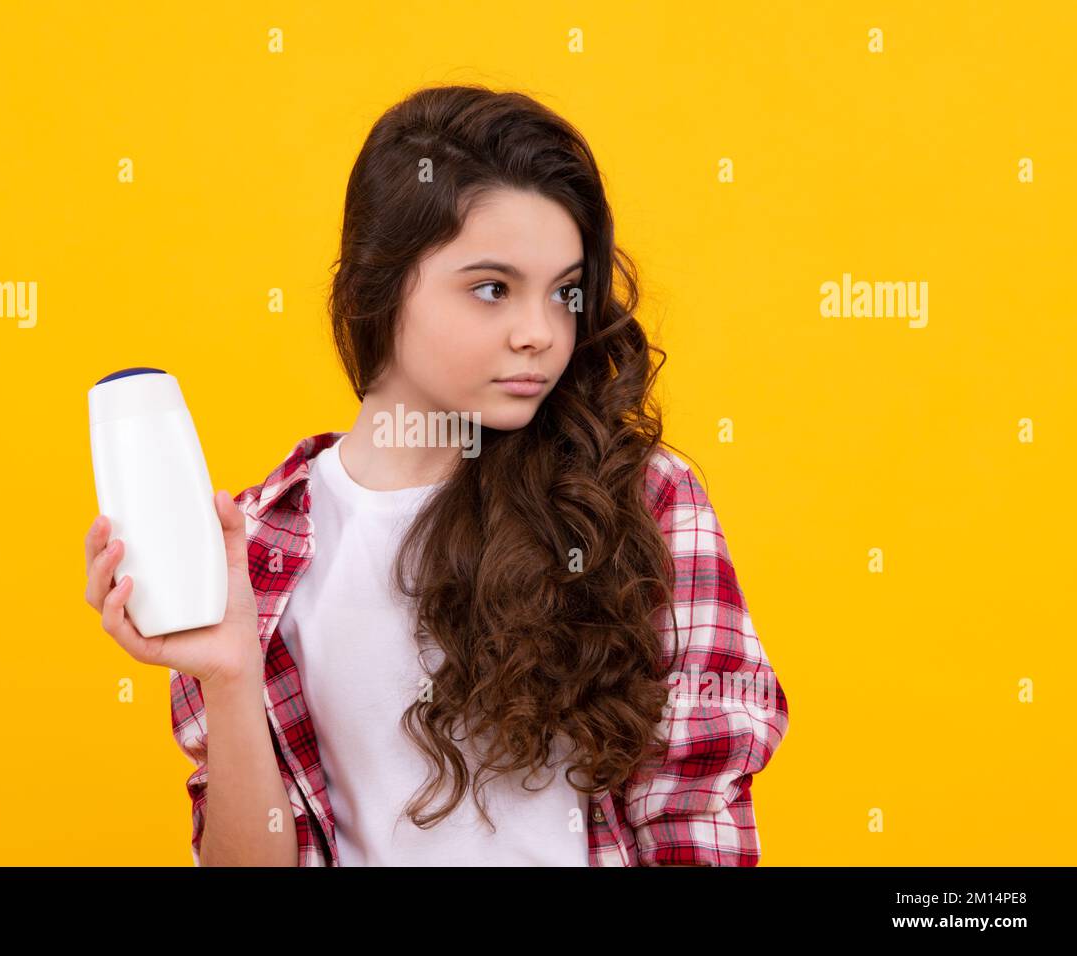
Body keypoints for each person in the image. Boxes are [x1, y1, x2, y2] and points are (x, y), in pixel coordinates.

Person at [83, 84, 789, 867]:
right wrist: (229, 677)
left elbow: (695, 822)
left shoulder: (639, 501)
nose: (539, 334)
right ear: (379, 289)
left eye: (564, 293)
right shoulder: (259, 545)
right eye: (493, 289)